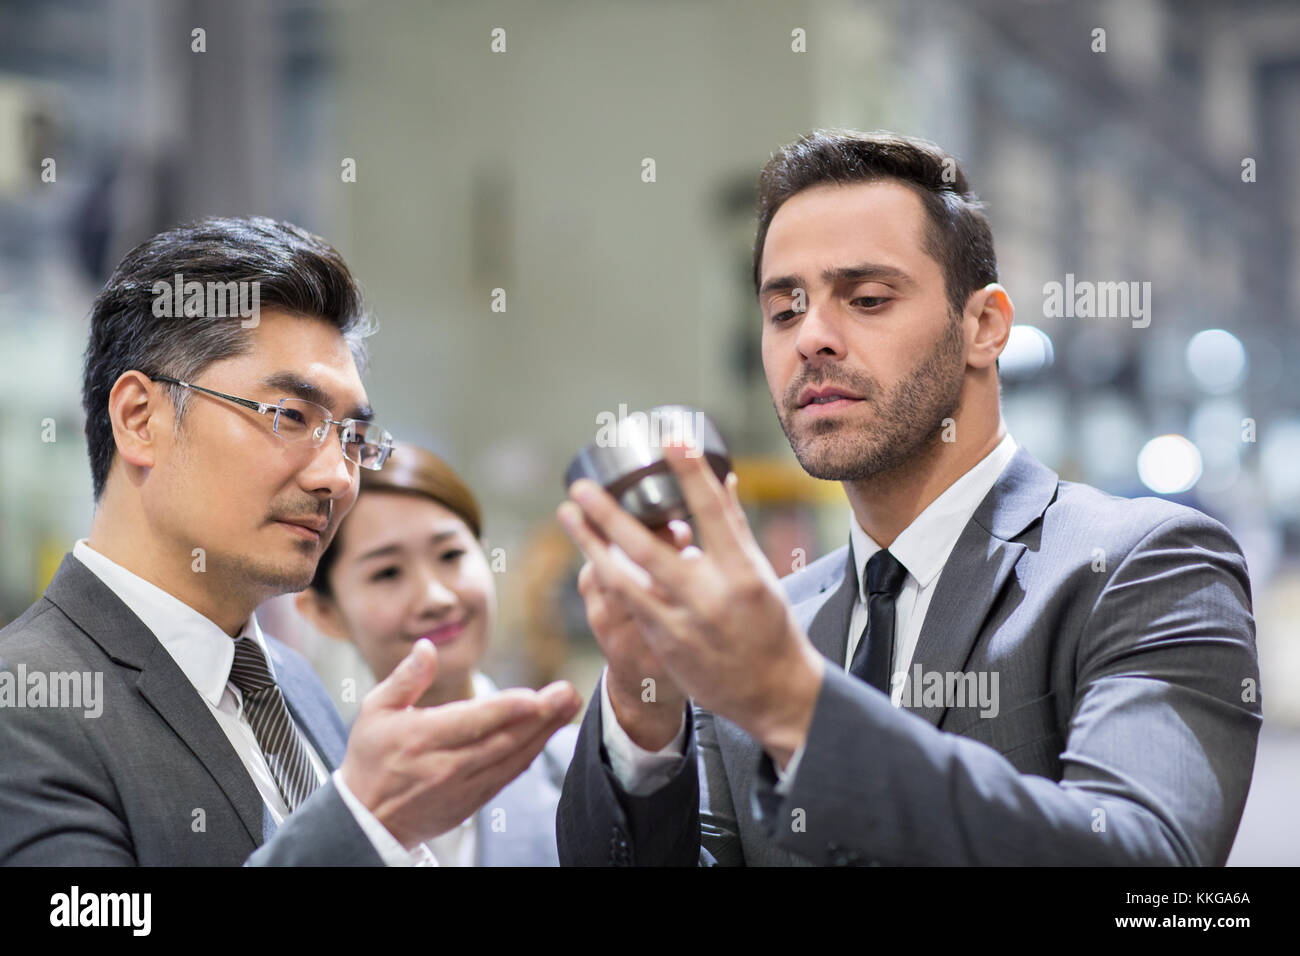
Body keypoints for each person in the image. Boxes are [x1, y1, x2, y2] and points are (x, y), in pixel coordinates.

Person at [555, 130, 1262, 866]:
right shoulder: (772, 628)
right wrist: (644, 711)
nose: (813, 339)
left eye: (866, 298)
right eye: (784, 312)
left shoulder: (1141, 568)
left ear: (984, 326)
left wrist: (798, 707)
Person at [0, 216, 580, 865]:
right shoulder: (25, 702)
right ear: (140, 419)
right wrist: (363, 821)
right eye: (290, 416)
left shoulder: (290, 683)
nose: (336, 476)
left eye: (352, 438)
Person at [295, 441, 577, 865]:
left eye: (451, 554)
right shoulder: (310, 798)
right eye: (387, 572)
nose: (436, 597)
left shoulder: (580, 770)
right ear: (324, 612)